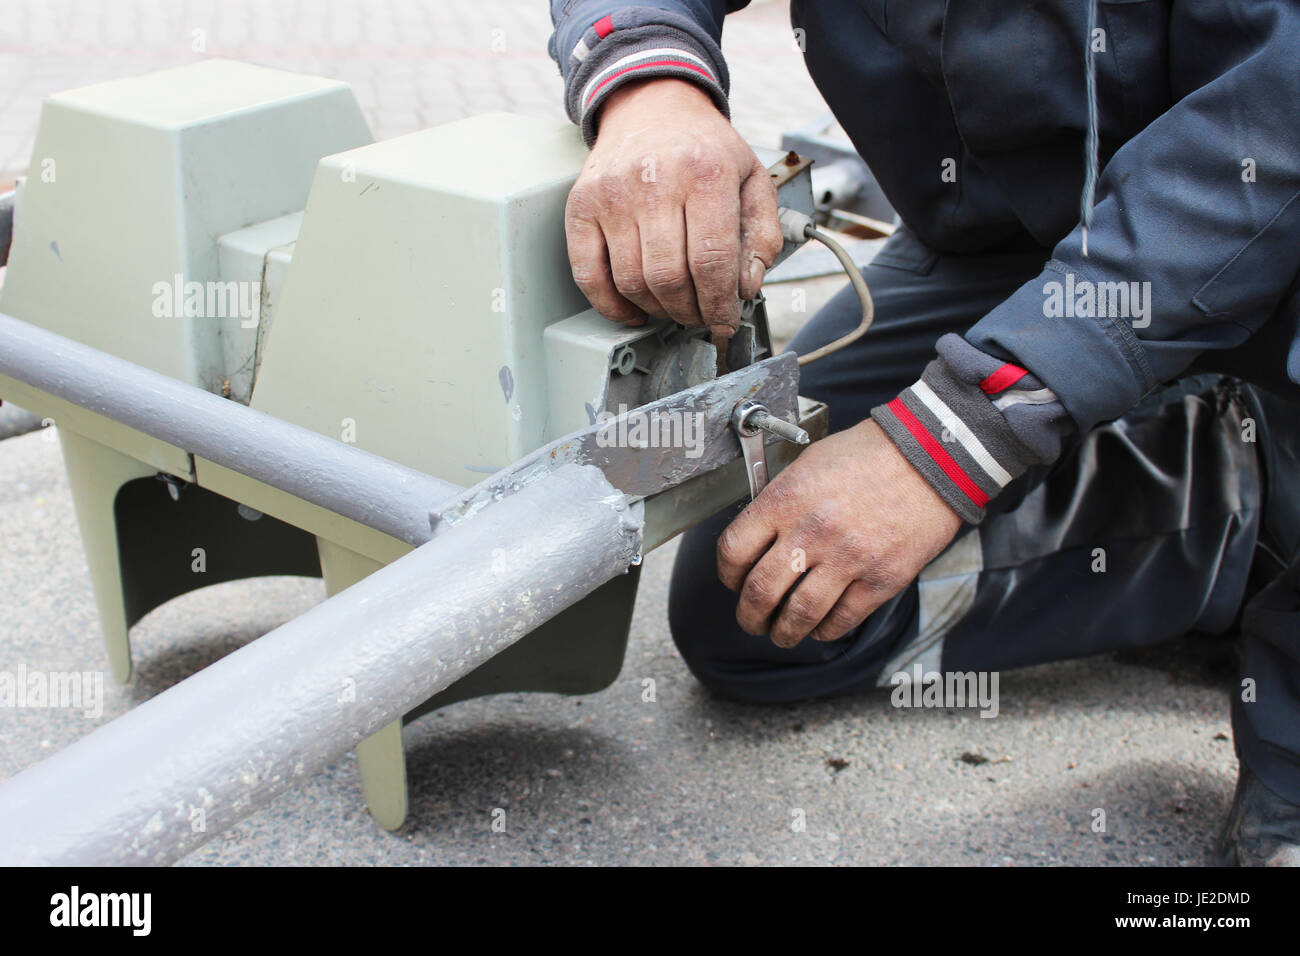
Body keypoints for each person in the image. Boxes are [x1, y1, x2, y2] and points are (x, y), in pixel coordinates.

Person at [547, 0, 1300, 865]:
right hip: (1019, 236)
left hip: (1266, 209)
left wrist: (949, 442)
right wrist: (648, 73)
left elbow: (1273, 120)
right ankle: (1231, 500)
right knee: (768, 601)